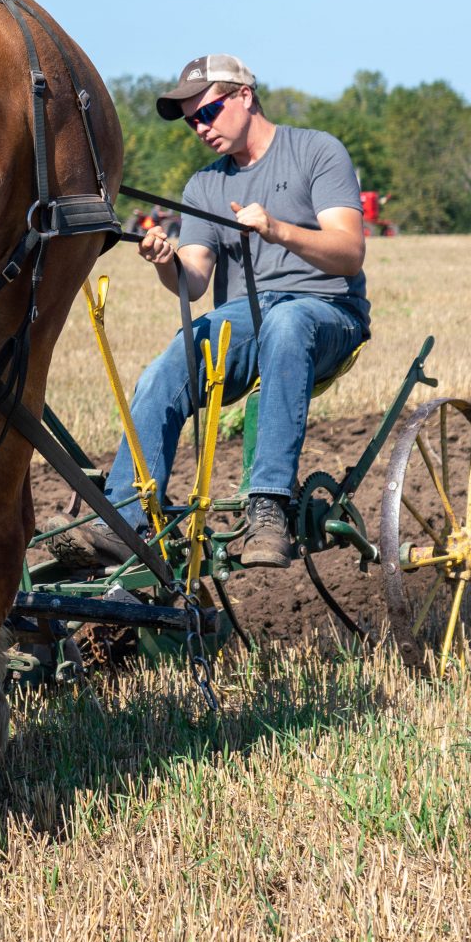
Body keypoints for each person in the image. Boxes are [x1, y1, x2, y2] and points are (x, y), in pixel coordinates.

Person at [50, 54, 371, 569]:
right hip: (247, 318)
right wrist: (165, 261)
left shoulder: (316, 151)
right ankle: (125, 520)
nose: (200, 127)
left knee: (287, 324)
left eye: (209, 111)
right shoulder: (206, 184)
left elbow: (349, 251)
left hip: (328, 310)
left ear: (244, 96)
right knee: (165, 369)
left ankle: (268, 507)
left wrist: (276, 229)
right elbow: (194, 280)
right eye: (192, 119)